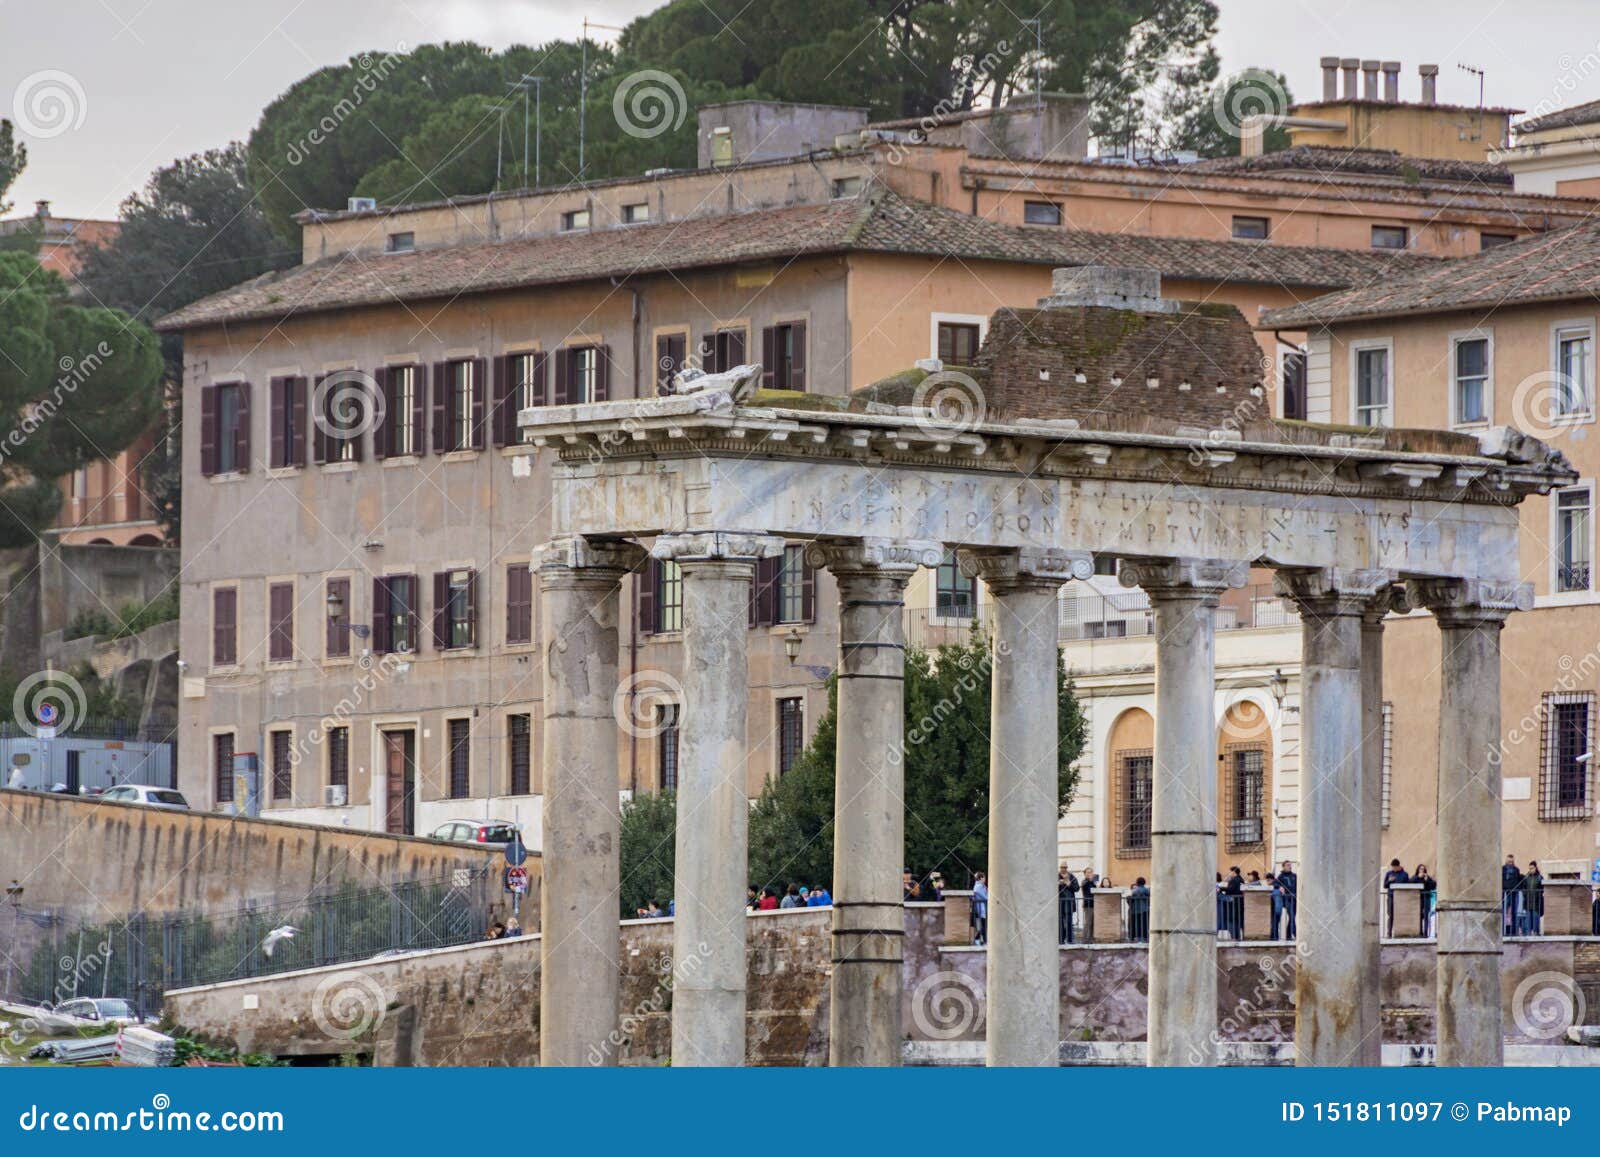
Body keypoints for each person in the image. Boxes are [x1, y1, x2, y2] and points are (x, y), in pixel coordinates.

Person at [1520, 860, 1544, 935]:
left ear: (1536, 868)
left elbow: (1542, 888)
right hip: (1527, 901)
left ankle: (1536, 932)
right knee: (1528, 918)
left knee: (1535, 917)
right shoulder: (1526, 877)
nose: (1531, 870)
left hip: (1536, 901)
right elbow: (1523, 887)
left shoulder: (1540, 877)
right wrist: (1525, 894)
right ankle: (1528, 932)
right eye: (1529, 868)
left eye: (1532, 868)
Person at [1413, 864, 1437, 938]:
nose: (1422, 870)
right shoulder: (1415, 877)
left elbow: (1433, 885)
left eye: (1423, 869)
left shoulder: (1427, 877)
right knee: (1419, 916)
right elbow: (1410, 882)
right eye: (1420, 869)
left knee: (1427, 915)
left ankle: (1426, 933)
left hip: (1426, 898)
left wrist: (1427, 880)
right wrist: (1418, 877)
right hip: (1418, 899)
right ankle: (1420, 932)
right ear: (1418, 870)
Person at [1502, 855, 1523, 935]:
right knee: (1503, 912)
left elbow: (1518, 880)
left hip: (1514, 893)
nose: (1510, 863)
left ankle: (1514, 931)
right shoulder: (1502, 869)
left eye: (1511, 862)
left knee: (1514, 912)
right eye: (1509, 862)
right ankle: (1502, 931)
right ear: (1506, 861)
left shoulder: (1516, 870)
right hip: (1504, 893)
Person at [1277, 861, 1298, 939]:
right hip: (1287, 899)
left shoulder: (1294, 876)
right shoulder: (1281, 876)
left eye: (1290, 865)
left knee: (1292, 917)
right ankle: (1296, 935)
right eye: (1288, 865)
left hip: (1295, 899)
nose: (1290, 866)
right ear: (1283, 867)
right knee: (1292, 916)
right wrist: (1280, 887)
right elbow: (1275, 883)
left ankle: (1288, 936)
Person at [1058, 867, 1078, 945]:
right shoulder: (1056, 876)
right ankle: (1061, 940)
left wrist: (1069, 884)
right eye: (1062, 867)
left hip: (1069, 904)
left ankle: (1069, 940)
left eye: (1065, 867)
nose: (1063, 869)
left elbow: (1077, 888)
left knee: (1069, 922)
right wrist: (1058, 884)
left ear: (1067, 868)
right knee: (1060, 923)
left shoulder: (1072, 877)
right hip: (1059, 904)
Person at [1224, 867, 1244, 940]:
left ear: (1234, 872)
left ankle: (1234, 937)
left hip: (1233, 904)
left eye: (1230, 872)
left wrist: (1221, 888)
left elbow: (1230, 890)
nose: (1229, 874)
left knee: (1232, 921)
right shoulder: (1241, 879)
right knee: (1237, 921)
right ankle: (1237, 936)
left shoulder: (1234, 880)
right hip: (1239, 904)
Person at [1128, 877, 1151, 942]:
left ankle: (1135, 937)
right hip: (1144, 910)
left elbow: (1131, 899)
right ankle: (1144, 937)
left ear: (1137, 882)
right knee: (1144, 924)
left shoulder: (1134, 890)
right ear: (1144, 882)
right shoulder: (1146, 890)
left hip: (1135, 910)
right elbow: (1150, 897)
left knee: (1136, 924)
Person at [971, 872, 989, 945]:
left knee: (982, 926)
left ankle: (977, 939)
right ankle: (983, 941)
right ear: (981, 878)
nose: (985, 879)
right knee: (983, 926)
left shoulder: (981, 886)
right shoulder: (979, 887)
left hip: (981, 909)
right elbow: (987, 897)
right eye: (984, 877)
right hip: (981, 909)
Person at [1080, 870, 1097, 941]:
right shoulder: (1084, 881)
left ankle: (1091, 937)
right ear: (1085, 874)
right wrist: (1090, 880)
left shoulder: (1093, 882)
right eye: (1088, 872)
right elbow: (1084, 886)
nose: (1090, 874)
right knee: (1088, 922)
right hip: (1088, 904)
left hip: (1094, 904)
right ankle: (1085, 938)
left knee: (1093, 922)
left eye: (1091, 872)